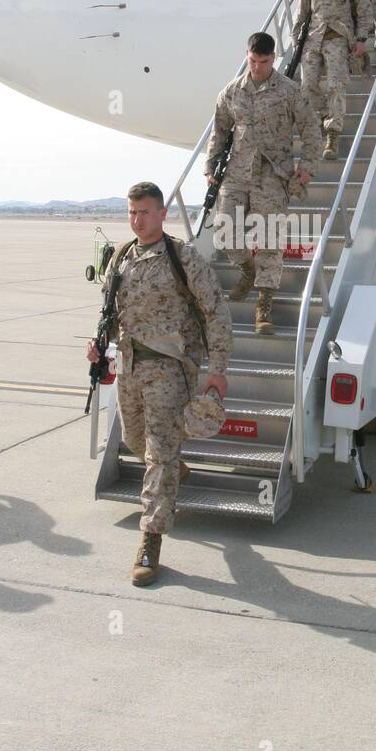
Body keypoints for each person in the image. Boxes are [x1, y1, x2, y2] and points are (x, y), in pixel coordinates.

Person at [87, 182, 233, 586]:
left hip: (169, 371)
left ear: (161, 213)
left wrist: (217, 369)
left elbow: (216, 310)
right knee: (136, 441)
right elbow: (111, 311)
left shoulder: (181, 257)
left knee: (158, 456)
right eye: (132, 213)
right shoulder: (121, 256)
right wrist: (98, 346)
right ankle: (175, 472)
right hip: (130, 368)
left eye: (145, 212)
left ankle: (150, 542)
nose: (138, 220)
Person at [206, 32, 320, 336]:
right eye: (252, 60)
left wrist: (307, 167)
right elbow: (218, 131)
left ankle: (264, 306)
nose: (256, 67)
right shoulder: (231, 92)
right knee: (224, 230)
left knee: (269, 241)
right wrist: (209, 165)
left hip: (273, 175)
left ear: (273, 59)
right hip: (237, 173)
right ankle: (247, 269)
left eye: (264, 61)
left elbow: (311, 129)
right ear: (247, 54)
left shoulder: (289, 91)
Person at [292, 0, 371, 162]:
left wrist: (361, 38)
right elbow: (302, 12)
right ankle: (320, 123)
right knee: (308, 86)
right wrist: (296, 39)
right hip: (313, 39)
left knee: (336, 86)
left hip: (338, 37)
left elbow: (364, 8)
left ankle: (333, 135)